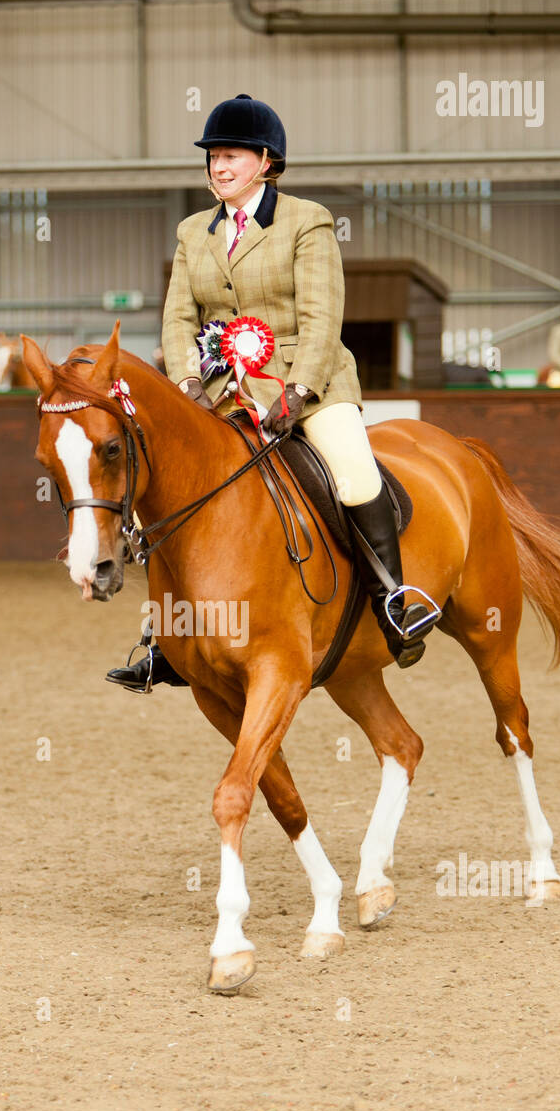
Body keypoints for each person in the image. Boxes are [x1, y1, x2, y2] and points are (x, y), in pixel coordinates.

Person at [107, 93, 439, 692]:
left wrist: (299, 388)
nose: (218, 167)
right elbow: (177, 319)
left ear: (265, 160)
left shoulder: (306, 221)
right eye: (212, 157)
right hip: (219, 392)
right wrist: (185, 382)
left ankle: (394, 601)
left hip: (305, 385)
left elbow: (321, 316)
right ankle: (166, 637)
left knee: (354, 473)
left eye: (230, 156)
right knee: (158, 486)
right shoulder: (192, 232)